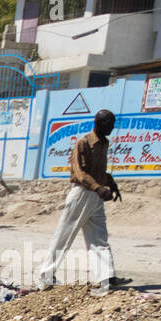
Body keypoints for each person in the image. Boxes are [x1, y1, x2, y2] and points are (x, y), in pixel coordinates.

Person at [36, 109, 131, 290]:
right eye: (110, 124)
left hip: (96, 196)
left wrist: (110, 183)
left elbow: (99, 171)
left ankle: (107, 278)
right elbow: (79, 173)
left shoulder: (104, 143)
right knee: (65, 234)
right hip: (83, 193)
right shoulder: (84, 143)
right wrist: (98, 187)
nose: (113, 128)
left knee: (99, 238)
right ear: (100, 123)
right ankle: (46, 276)